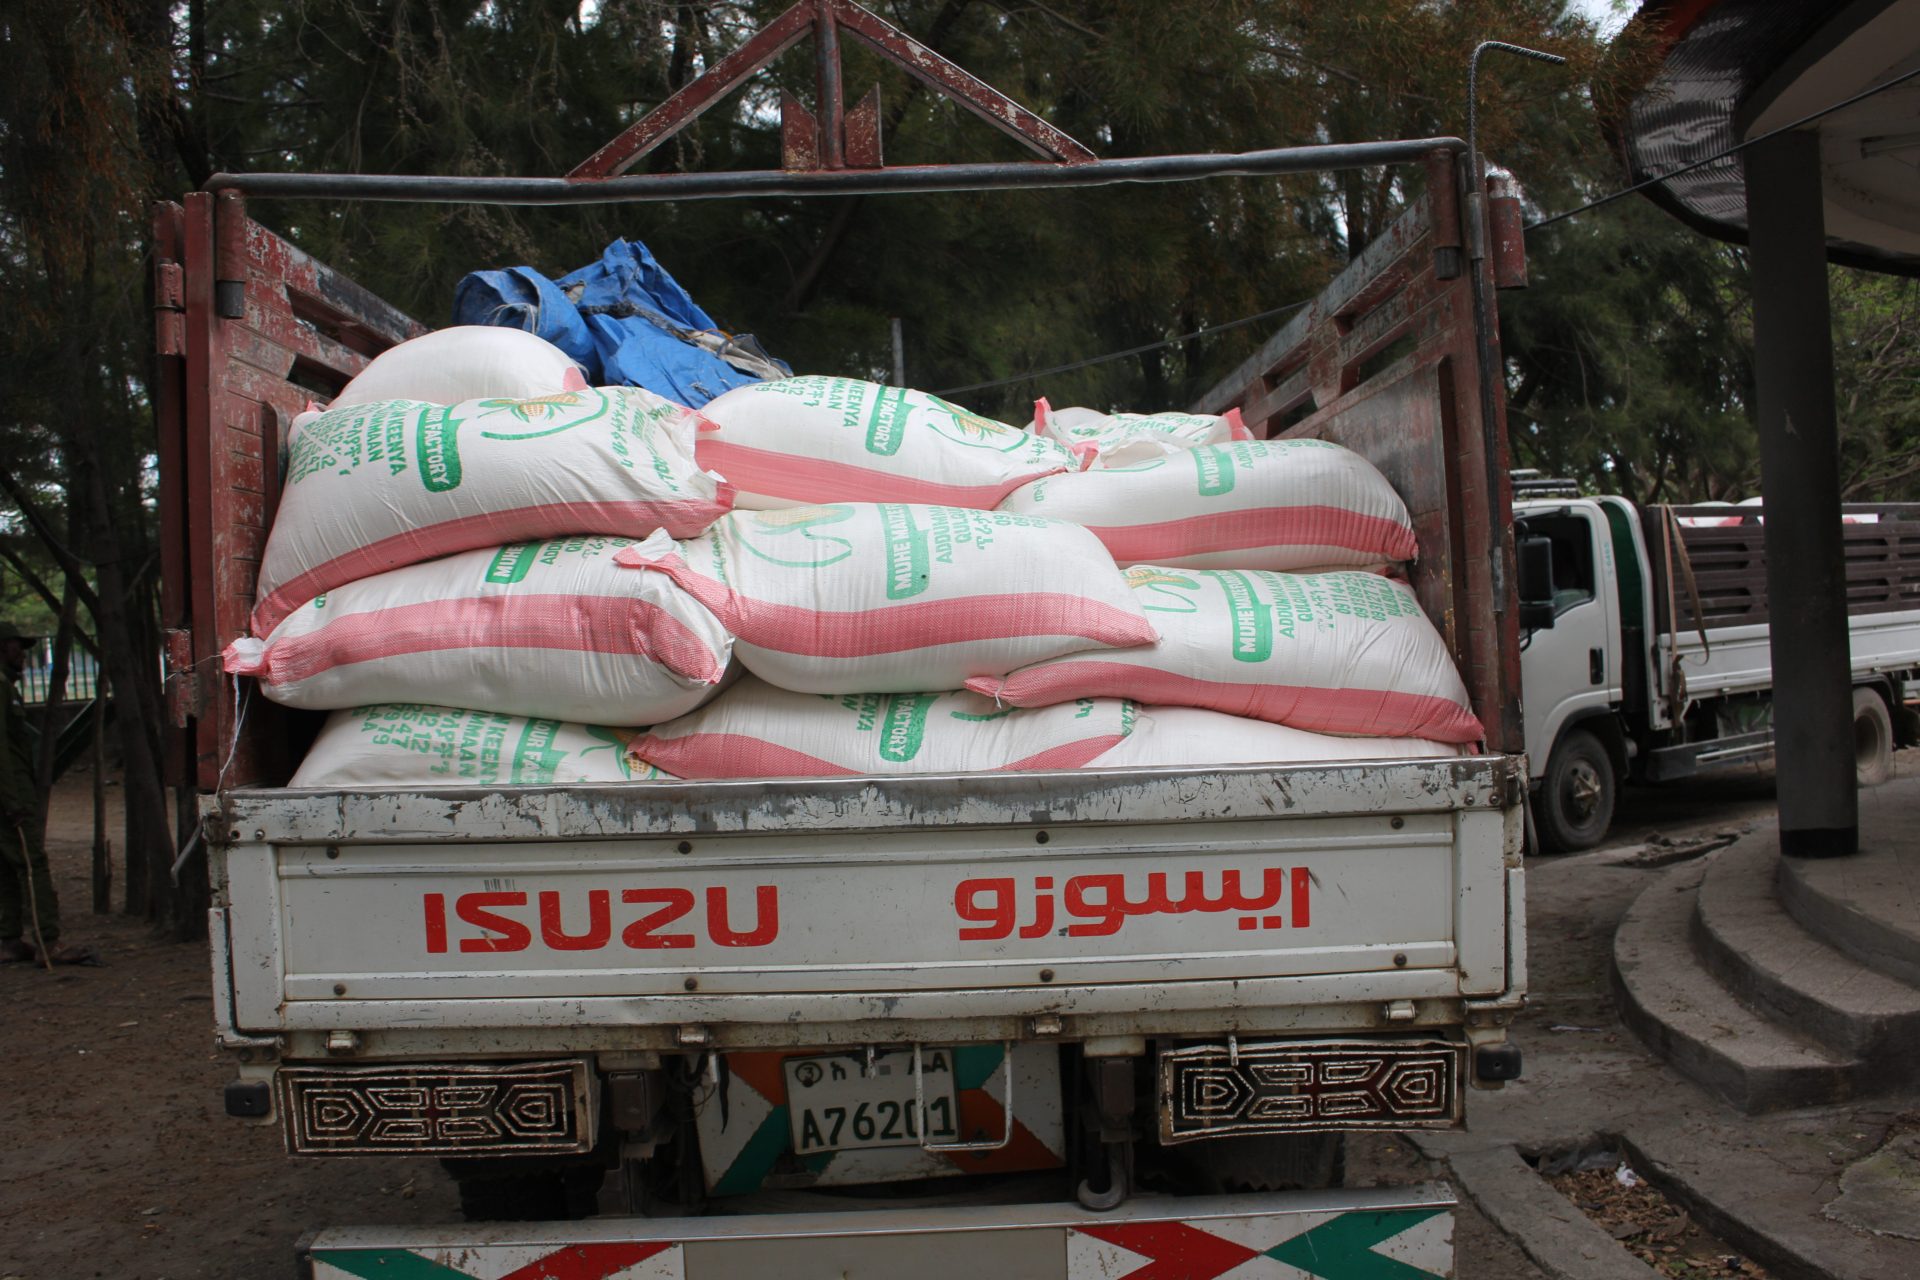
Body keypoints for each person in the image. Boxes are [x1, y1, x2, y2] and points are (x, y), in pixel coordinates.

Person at [0, 621, 91, 965]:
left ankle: (9, 940)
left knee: (7, 865)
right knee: (31, 862)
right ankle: (46, 943)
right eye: (15, 646)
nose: (22, 654)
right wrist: (13, 800)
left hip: (10, 790)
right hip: (10, 792)